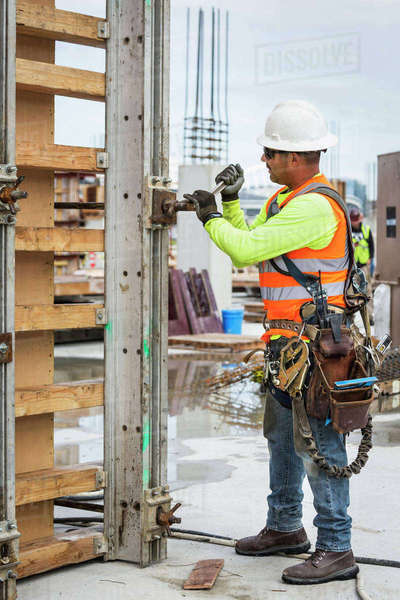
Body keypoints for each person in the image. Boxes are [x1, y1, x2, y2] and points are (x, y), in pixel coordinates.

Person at [183, 100, 359, 585]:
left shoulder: (315, 207)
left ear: (294, 156)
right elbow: (253, 237)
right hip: (288, 347)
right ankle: (285, 527)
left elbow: (241, 248)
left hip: (316, 348)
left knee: (320, 445)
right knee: (282, 438)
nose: (263, 160)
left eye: (269, 153)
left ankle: (337, 547)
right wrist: (232, 205)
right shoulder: (286, 202)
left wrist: (208, 217)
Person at [350, 207, 374, 322]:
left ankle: (369, 316)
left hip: (364, 265)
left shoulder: (366, 229)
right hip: (353, 266)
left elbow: (371, 245)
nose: (355, 222)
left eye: (356, 219)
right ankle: (351, 318)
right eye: (353, 220)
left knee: (367, 291)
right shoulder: (347, 230)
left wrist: (370, 258)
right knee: (352, 292)